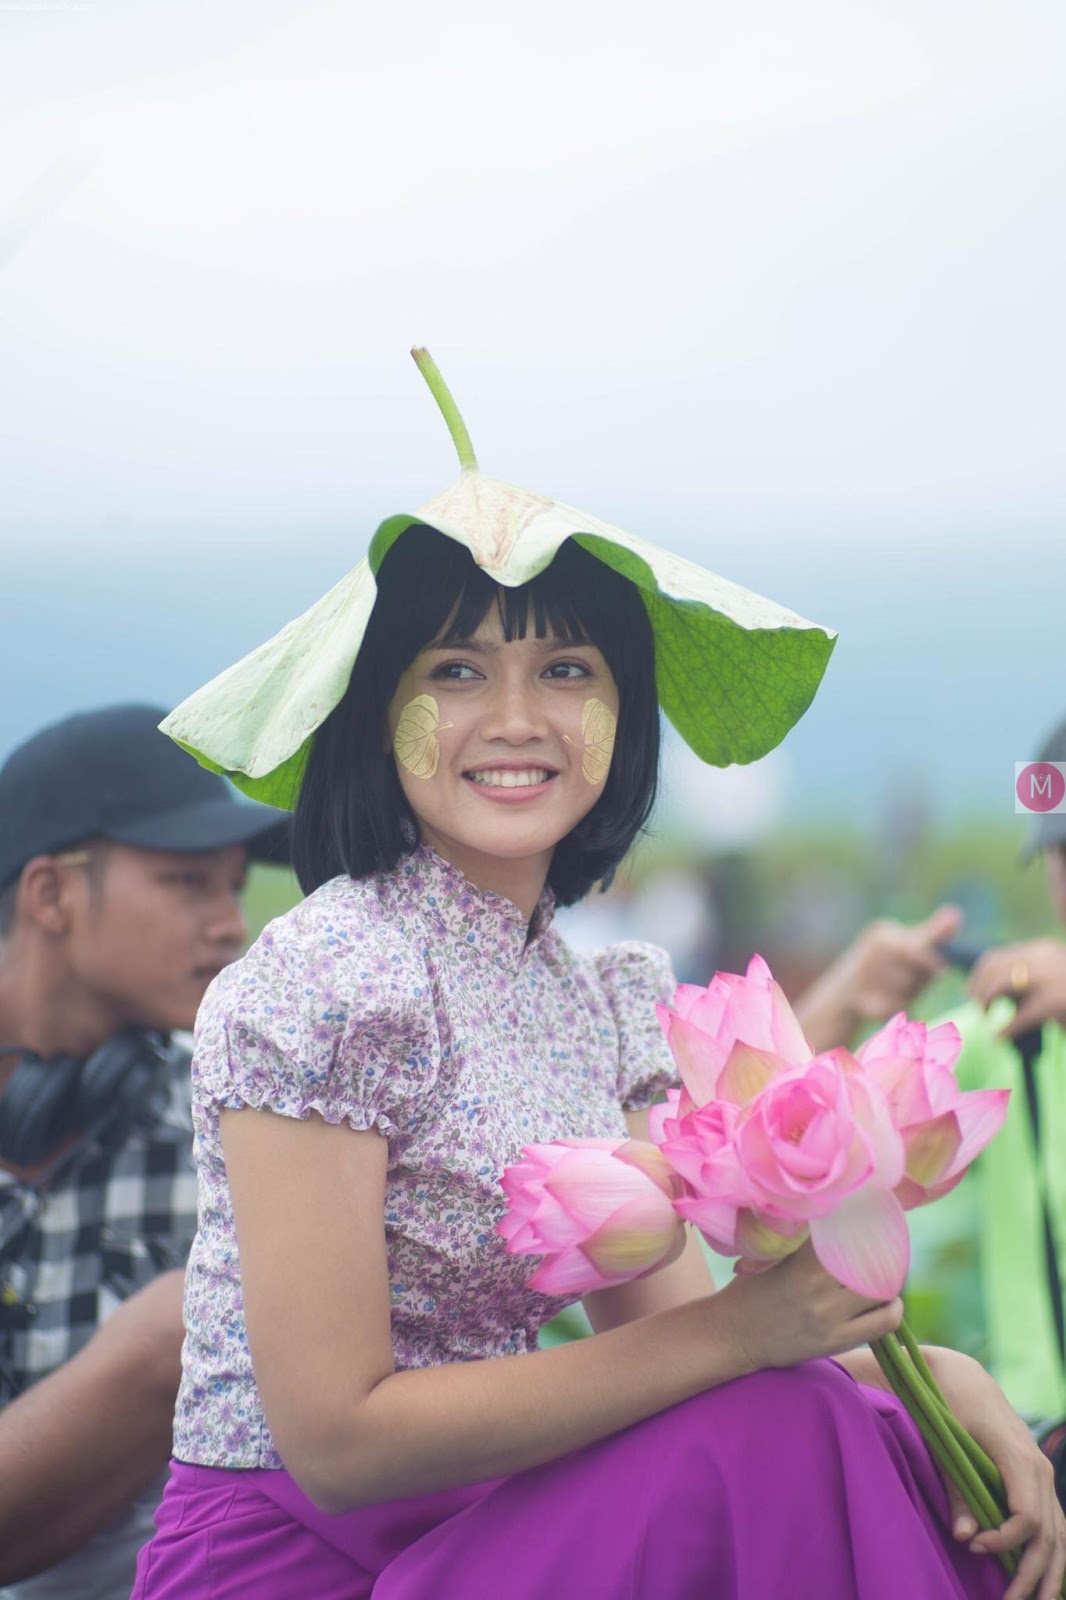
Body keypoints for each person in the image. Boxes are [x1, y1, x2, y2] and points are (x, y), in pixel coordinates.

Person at [133, 374, 1064, 1596]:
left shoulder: (601, 996)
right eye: (456, 672)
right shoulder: (325, 978)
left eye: (567, 670)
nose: (516, 718)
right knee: (785, 1432)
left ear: (624, 714)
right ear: (378, 711)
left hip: (509, 1514)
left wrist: (942, 1372)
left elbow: (676, 1337)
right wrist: (745, 1329)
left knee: (860, 1431)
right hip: (302, 1551)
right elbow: (339, 1442)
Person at [0, 704, 289, 1599]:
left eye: (235, 887)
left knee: (177, 1321)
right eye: (188, 883)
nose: (230, 925)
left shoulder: (239, 1128)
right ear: (49, 895)